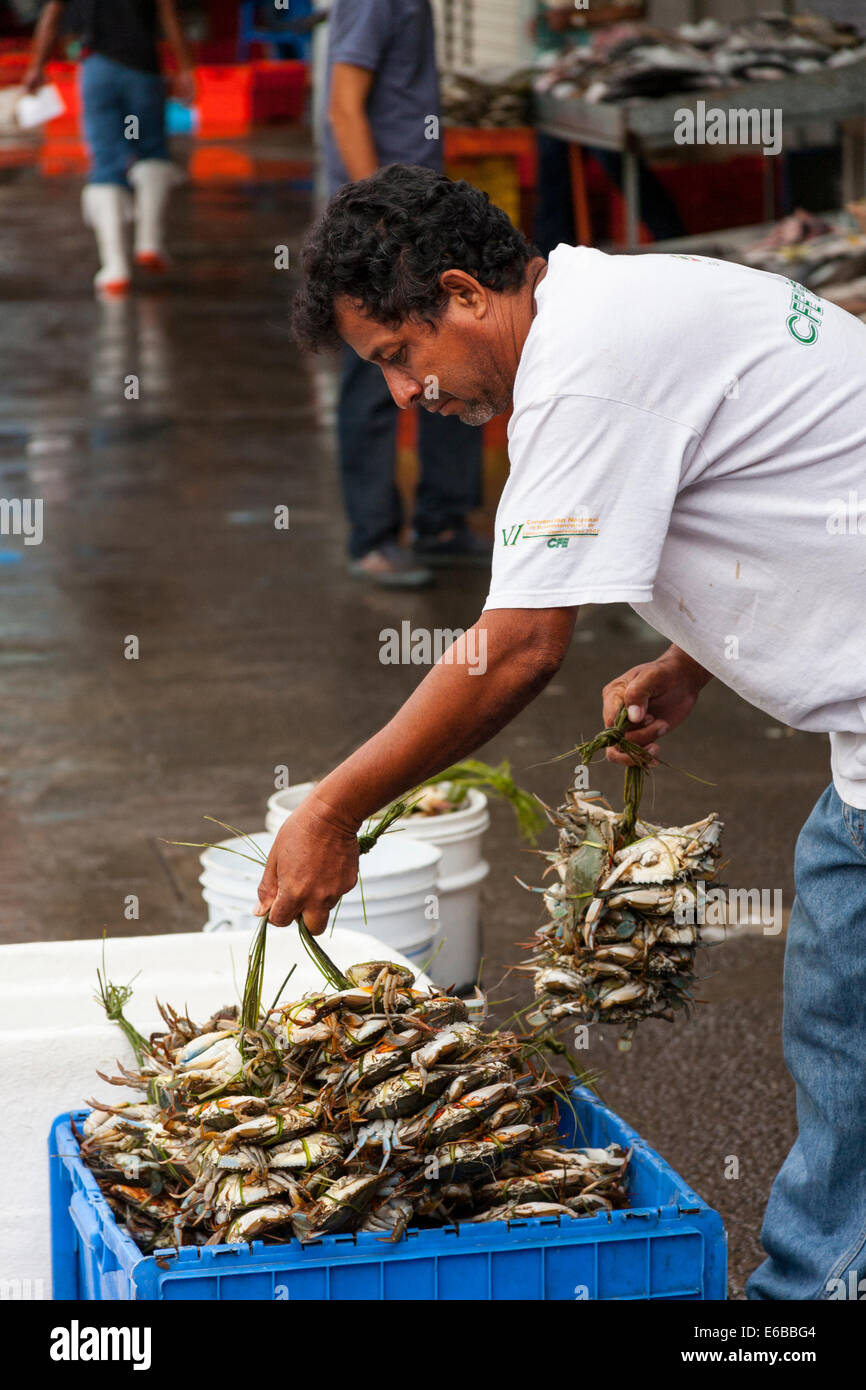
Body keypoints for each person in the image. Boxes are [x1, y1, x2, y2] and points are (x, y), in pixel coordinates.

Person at [255, 164, 866, 1300]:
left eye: (398, 356)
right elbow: (788, 484)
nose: (403, 395)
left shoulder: (582, 372)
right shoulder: (608, 309)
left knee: (844, 1021)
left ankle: (804, 1304)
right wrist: (694, 658)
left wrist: (333, 807)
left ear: (461, 292)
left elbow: (518, 645)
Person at [323, 0, 489, 586]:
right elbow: (344, 108)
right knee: (378, 380)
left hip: (419, 220)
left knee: (451, 359)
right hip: (384, 231)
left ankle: (441, 522)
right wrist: (380, 219)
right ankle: (372, 539)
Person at [25, 0, 194, 294]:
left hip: (97, 70)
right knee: (151, 151)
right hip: (143, 69)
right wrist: (184, 68)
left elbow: (52, 15)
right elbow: (169, 15)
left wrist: (36, 66)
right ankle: (149, 242)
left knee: (106, 163)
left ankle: (115, 268)